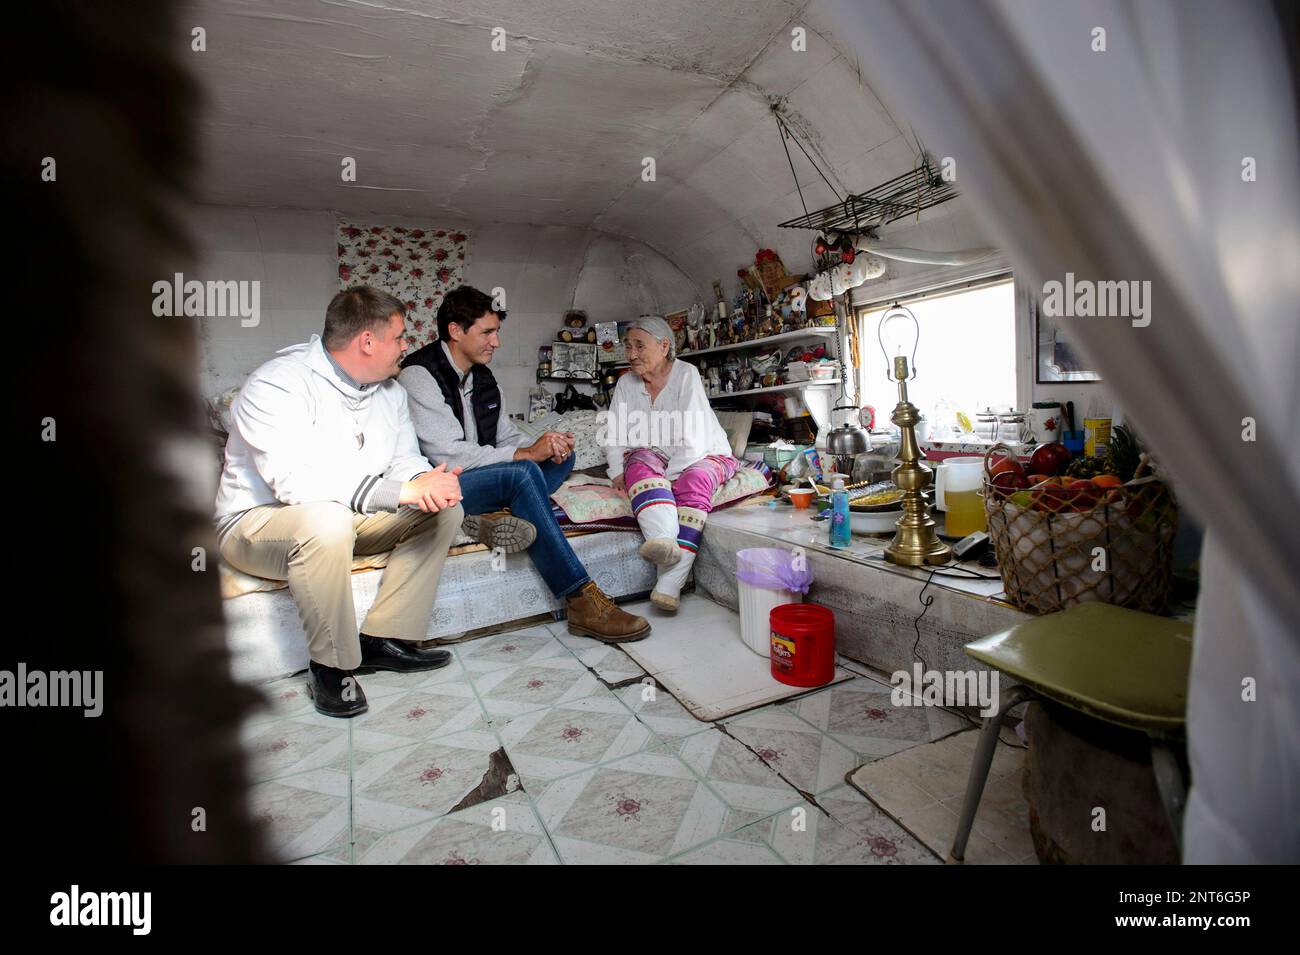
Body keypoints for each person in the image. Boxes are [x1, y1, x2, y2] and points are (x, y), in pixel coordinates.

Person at [215, 287, 465, 718]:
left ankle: (384, 640)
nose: (407, 347)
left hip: (345, 521)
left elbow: (405, 459)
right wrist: (398, 492)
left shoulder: (391, 392)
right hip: (255, 526)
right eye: (400, 337)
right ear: (367, 341)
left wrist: (426, 481)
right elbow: (294, 483)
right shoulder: (277, 383)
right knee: (326, 520)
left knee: (445, 512)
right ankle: (331, 666)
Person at [399, 286, 650, 643]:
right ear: (456, 331)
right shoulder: (419, 375)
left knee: (561, 458)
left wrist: (544, 446)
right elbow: (448, 456)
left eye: (496, 332)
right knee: (523, 473)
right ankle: (579, 597)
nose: (496, 342)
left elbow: (507, 439)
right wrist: (525, 456)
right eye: (487, 332)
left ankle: (498, 514)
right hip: (446, 486)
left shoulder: (485, 378)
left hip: (488, 479)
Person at [606, 316, 741, 611]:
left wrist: (666, 478)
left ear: (664, 345)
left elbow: (693, 439)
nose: (631, 354)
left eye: (639, 346)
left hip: (704, 451)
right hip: (656, 452)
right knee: (638, 460)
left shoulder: (686, 374)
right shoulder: (626, 384)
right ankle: (663, 541)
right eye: (628, 346)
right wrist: (617, 471)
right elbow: (615, 431)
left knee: (695, 480)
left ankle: (669, 584)